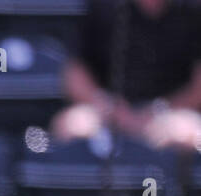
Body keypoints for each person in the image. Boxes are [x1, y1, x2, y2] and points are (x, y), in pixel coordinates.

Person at [53, 0, 201, 151]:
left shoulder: (192, 8)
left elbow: (198, 87)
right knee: (74, 126)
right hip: (108, 111)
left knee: (190, 135)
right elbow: (75, 74)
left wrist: (158, 110)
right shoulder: (104, 6)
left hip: (171, 113)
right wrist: (110, 107)